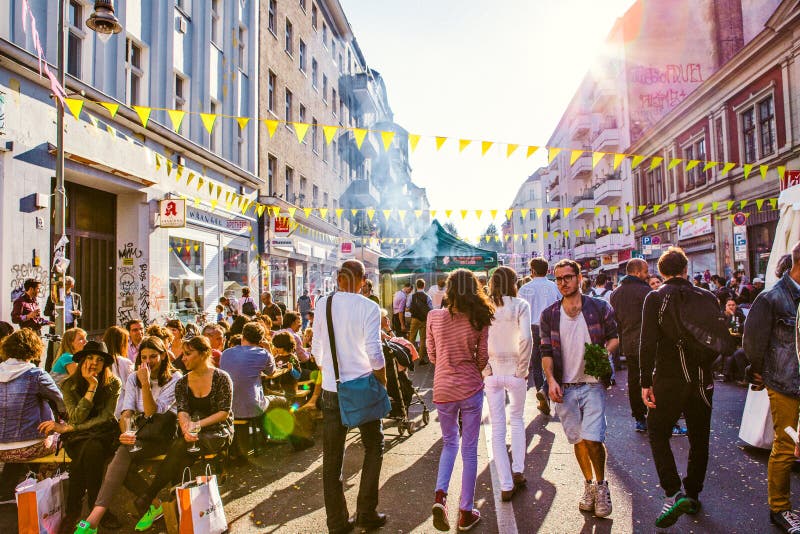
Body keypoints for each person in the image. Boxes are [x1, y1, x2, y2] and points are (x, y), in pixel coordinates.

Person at [73, 336, 181, 533]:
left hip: (163, 435)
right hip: (139, 434)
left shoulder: (175, 379)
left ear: (164, 356)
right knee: (118, 460)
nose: (148, 362)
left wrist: (146, 384)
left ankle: (93, 519)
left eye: (153, 356)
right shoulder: (133, 377)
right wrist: (127, 433)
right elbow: (126, 412)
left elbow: (151, 412)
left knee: (119, 458)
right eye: (144, 357)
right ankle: (153, 505)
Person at [639, 247, 715, 528]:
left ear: (661, 272)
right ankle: (692, 493)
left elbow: (646, 344)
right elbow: (718, 339)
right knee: (699, 437)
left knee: (658, 432)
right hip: (701, 379)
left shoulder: (655, 297)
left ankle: (672, 491)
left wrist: (645, 382)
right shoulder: (707, 297)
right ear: (686, 269)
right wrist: (707, 366)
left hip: (669, 378)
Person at [312, 260, 388, 533]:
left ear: (339, 278)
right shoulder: (369, 307)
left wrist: (331, 370)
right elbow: (375, 352)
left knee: (332, 459)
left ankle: (338, 523)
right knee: (374, 446)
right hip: (363, 387)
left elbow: (316, 349)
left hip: (334, 390)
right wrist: (383, 382)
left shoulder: (324, 304)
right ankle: (366, 512)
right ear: (362, 279)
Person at [540, 259, 618, 519]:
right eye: (559, 278)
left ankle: (601, 485)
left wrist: (602, 354)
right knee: (578, 440)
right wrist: (550, 380)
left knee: (594, 439)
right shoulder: (549, 314)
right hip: (566, 386)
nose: (563, 283)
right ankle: (588, 485)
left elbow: (614, 337)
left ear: (580, 277)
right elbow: (546, 352)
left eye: (568, 277)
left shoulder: (599, 307)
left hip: (593, 384)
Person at [134, 336, 233, 530]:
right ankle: (185, 513)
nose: (183, 358)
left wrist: (195, 426)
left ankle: (151, 495)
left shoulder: (221, 377)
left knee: (180, 447)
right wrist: (187, 427)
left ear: (204, 354)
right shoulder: (183, 382)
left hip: (218, 431)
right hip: (192, 433)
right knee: (182, 454)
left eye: (188, 354)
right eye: (183, 354)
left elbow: (223, 413)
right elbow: (182, 411)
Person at [427, 269, 492, 531]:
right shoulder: (479, 318)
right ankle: (465, 512)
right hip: (470, 388)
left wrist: (445, 364)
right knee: (470, 448)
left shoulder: (434, 316)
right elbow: (483, 357)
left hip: (442, 389)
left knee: (449, 443)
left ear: (450, 289)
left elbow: (431, 354)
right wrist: (471, 370)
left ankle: (440, 496)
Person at [743, 241, 800, 533]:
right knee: (786, 445)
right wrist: (760, 372)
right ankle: (780, 508)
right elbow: (752, 343)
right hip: (785, 383)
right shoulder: (772, 298)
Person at [43, 341, 121, 529]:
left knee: (91, 447)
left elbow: (105, 417)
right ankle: (99, 509)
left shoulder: (113, 384)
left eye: (99, 360)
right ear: (82, 360)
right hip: (79, 438)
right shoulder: (68, 384)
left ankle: (74, 510)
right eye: (90, 358)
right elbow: (76, 417)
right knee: (90, 448)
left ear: (104, 365)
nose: (94, 363)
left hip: (104, 433)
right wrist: (90, 388)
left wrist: (71, 428)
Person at [0, 329, 65, 503]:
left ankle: (9, 490)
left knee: (14, 448)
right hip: (30, 447)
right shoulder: (36, 374)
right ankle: (44, 489)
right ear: (34, 349)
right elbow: (60, 401)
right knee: (61, 438)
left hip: (1, 450)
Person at [485, 266, 532, 502]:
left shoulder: (487, 306)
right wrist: (522, 368)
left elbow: (480, 338)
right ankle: (518, 470)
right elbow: (526, 337)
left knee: (497, 426)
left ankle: (505, 484)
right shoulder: (521, 305)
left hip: (492, 370)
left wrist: (485, 366)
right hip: (515, 369)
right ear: (514, 283)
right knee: (517, 419)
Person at [609, 258, 651, 433]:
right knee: (651, 379)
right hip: (647, 342)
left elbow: (614, 321)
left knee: (634, 379)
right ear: (637, 272)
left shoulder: (616, 294)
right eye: (646, 271)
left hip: (628, 343)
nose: (647, 274)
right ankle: (653, 412)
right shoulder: (646, 291)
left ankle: (639, 417)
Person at [518, 257, 561, 415]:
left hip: (533, 328)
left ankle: (542, 395)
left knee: (536, 363)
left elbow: (520, 311)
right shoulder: (554, 287)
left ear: (533, 271)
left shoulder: (524, 289)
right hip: (552, 327)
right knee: (555, 361)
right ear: (547, 270)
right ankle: (545, 390)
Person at [219, 321, 277, 419]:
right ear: (260, 340)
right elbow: (272, 372)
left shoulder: (225, 353)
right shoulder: (263, 353)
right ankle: (268, 432)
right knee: (281, 401)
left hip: (227, 408)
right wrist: (268, 348)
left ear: (243, 336)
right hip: (252, 407)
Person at [104, 326, 135, 418]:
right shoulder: (124, 362)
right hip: (121, 408)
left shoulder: (101, 360)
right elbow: (131, 386)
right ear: (122, 343)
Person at [720, 299, 747, 384]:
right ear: (725, 306)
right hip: (724, 340)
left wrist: (733, 315)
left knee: (732, 351)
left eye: (733, 305)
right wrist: (731, 316)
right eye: (729, 305)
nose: (731, 307)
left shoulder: (740, 315)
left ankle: (727, 374)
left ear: (736, 306)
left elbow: (737, 329)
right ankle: (726, 374)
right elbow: (724, 328)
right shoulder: (721, 315)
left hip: (737, 341)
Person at [408, 278, 433, 365]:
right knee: (423, 339)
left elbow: (407, 306)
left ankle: (409, 358)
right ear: (424, 286)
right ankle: (421, 359)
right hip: (424, 320)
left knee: (411, 338)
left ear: (416, 285)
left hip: (414, 319)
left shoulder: (412, 296)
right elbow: (430, 309)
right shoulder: (427, 297)